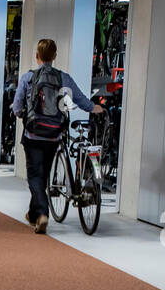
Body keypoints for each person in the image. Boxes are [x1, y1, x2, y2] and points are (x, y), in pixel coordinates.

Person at [11, 38, 104, 234]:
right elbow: (79, 99)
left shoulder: (28, 78)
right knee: (42, 175)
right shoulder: (64, 78)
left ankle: (43, 214)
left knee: (35, 176)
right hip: (54, 135)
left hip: (33, 134)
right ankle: (33, 213)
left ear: (37, 56)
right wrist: (95, 108)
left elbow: (17, 106)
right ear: (54, 56)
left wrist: (22, 115)